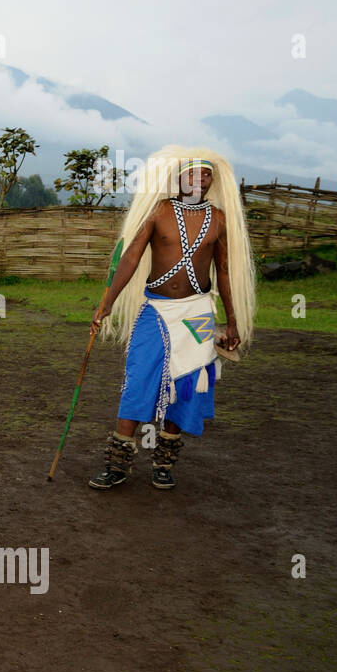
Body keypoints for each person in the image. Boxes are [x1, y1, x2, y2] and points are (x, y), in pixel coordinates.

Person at [88, 146, 255, 489]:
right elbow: (131, 257)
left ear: (212, 182)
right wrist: (107, 302)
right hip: (157, 309)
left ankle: (164, 462)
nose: (200, 179)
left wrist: (233, 321)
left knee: (191, 383)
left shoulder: (219, 219)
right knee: (139, 379)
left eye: (206, 174)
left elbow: (222, 272)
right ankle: (119, 463)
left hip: (198, 312)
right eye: (193, 173)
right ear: (179, 179)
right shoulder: (159, 211)